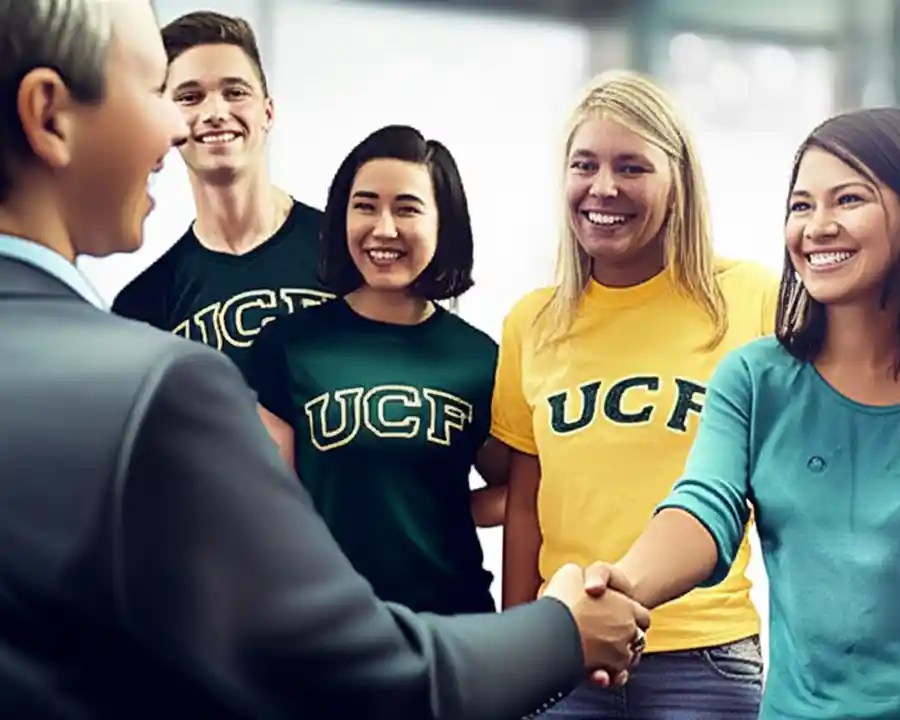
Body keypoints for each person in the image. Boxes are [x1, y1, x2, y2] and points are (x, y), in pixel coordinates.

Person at [0, 1, 646, 717]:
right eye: (160, 90)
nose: (179, 126)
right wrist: (562, 633)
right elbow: (357, 667)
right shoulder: (154, 373)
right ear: (49, 115)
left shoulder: (445, 339)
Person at [581, 108, 900, 719]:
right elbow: (701, 510)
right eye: (801, 206)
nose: (818, 227)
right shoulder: (753, 379)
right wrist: (619, 586)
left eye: (848, 200)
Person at [494, 70, 778, 717]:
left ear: (678, 180)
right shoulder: (531, 322)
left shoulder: (751, 297)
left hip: (705, 656)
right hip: (564, 652)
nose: (604, 187)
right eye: (584, 164)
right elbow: (525, 503)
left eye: (631, 166)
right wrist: (517, 651)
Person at [245, 125, 508, 617]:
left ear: (443, 223)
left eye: (407, 209)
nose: (383, 229)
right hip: (328, 629)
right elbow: (267, 503)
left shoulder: (479, 358)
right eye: (365, 206)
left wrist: (441, 510)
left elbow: (517, 489)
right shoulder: (289, 344)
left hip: (454, 633)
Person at [111, 10, 330, 375]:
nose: (215, 112)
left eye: (235, 92)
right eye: (190, 97)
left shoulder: (348, 253)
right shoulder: (142, 307)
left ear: (268, 113)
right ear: (166, 122)